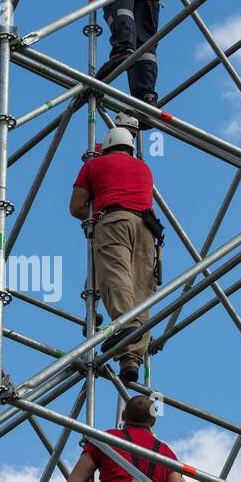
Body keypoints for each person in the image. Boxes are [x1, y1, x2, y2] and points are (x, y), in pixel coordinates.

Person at [69, 120, 163, 385]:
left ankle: (126, 326)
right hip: (147, 228)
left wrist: (91, 203)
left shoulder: (94, 165)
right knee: (142, 290)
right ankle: (131, 359)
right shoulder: (144, 168)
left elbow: (76, 207)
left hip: (114, 220)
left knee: (115, 275)